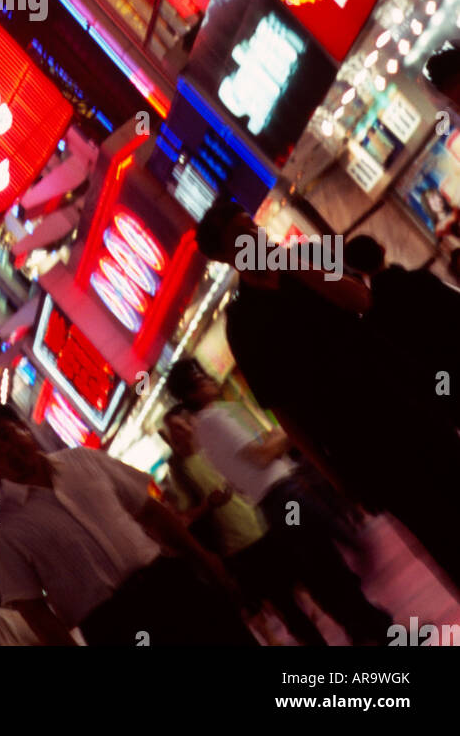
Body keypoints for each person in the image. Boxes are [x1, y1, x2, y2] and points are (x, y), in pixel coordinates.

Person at [195, 197, 460, 595]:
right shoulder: (243, 325)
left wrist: (296, 267)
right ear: (222, 255)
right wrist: (331, 472)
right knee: (433, 530)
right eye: (238, 235)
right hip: (358, 443)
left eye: (251, 224)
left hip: (405, 401)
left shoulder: (304, 260)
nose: (253, 235)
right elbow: (281, 407)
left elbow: (361, 300)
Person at [0, 403, 255, 647]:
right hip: (114, 626)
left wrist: (204, 559)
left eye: (6, 435)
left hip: (169, 583)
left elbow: (151, 512)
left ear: (24, 428)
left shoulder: (83, 460)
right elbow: (32, 607)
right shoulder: (2, 527)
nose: (6, 450)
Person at [166, 363, 392, 646]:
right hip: (283, 498)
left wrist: (273, 439)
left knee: (325, 572)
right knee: (328, 569)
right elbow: (262, 455)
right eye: (199, 378)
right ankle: (376, 631)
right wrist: (286, 431)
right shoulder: (215, 419)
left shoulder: (206, 431)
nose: (208, 380)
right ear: (190, 393)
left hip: (275, 503)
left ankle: (368, 629)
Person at [345, 235, 460, 430]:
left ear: (356, 270)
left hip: (442, 385)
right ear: (382, 248)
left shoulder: (373, 319)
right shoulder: (420, 279)